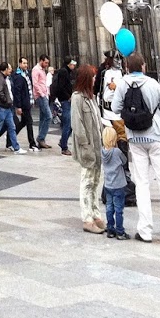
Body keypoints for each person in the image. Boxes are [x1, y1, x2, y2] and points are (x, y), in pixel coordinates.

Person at [111, 51, 160, 245]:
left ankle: (145, 231)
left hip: (135, 138)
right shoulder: (152, 83)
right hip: (156, 136)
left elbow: (115, 108)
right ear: (143, 66)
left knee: (141, 184)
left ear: (127, 67)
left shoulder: (123, 83)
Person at [70, 64, 104, 232]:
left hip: (97, 146)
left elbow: (98, 122)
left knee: (96, 181)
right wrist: (86, 145)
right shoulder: (77, 98)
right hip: (87, 147)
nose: (95, 79)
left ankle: (96, 214)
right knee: (87, 182)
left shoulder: (91, 97)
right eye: (92, 76)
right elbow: (77, 125)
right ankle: (86, 218)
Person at [0, 63, 24, 153]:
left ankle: (16, 148)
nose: (11, 70)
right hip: (1, 107)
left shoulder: (3, 78)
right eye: (9, 69)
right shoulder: (0, 78)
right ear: (5, 69)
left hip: (6, 107)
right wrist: (6, 100)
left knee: (12, 127)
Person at [101, 125, 129, 240]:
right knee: (118, 209)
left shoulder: (102, 152)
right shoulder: (117, 152)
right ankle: (120, 231)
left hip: (108, 184)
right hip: (118, 185)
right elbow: (124, 161)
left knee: (109, 207)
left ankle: (110, 229)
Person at [12, 59, 37, 150]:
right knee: (29, 122)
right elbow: (17, 92)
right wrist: (18, 106)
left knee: (23, 122)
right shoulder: (18, 76)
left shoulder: (26, 74)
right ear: (19, 64)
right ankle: (32, 144)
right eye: (24, 63)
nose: (26, 65)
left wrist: (32, 101)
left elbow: (29, 89)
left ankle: (10, 138)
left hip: (27, 102)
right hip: (23, 104)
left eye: (27, 63)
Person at [52, 57, 76, 154]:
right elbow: (61, 87)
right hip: (65, 100)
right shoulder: (64, 72)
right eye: (72, 64)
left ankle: (63, 141)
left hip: (66, 99)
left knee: (70, 124)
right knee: (68, 124)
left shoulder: (66, 71)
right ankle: (64, 147)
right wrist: (67, 96)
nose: (74, 66)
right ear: (68, 64)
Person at [31, 55, 51, 148]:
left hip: (44, 95)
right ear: (41, 61)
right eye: (46, 62)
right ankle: (41, 137)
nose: (47, 64)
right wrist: (42, 94)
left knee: (43, 117)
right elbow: (35, 83)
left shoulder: (42, 70)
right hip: (40, 96)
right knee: (49, 116)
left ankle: (41, 140)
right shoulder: (36, 69)